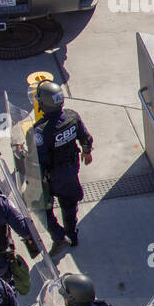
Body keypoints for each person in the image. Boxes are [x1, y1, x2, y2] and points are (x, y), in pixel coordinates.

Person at [31, 80, 94, 256]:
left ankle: (59, 237)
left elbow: (39, 159)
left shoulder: (40, 131)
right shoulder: (72, 116)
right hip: (71, 171)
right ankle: (72, 236)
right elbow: (86, 137)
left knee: (41, 207)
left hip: (51, 176)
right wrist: (87, 152)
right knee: (69, 205)